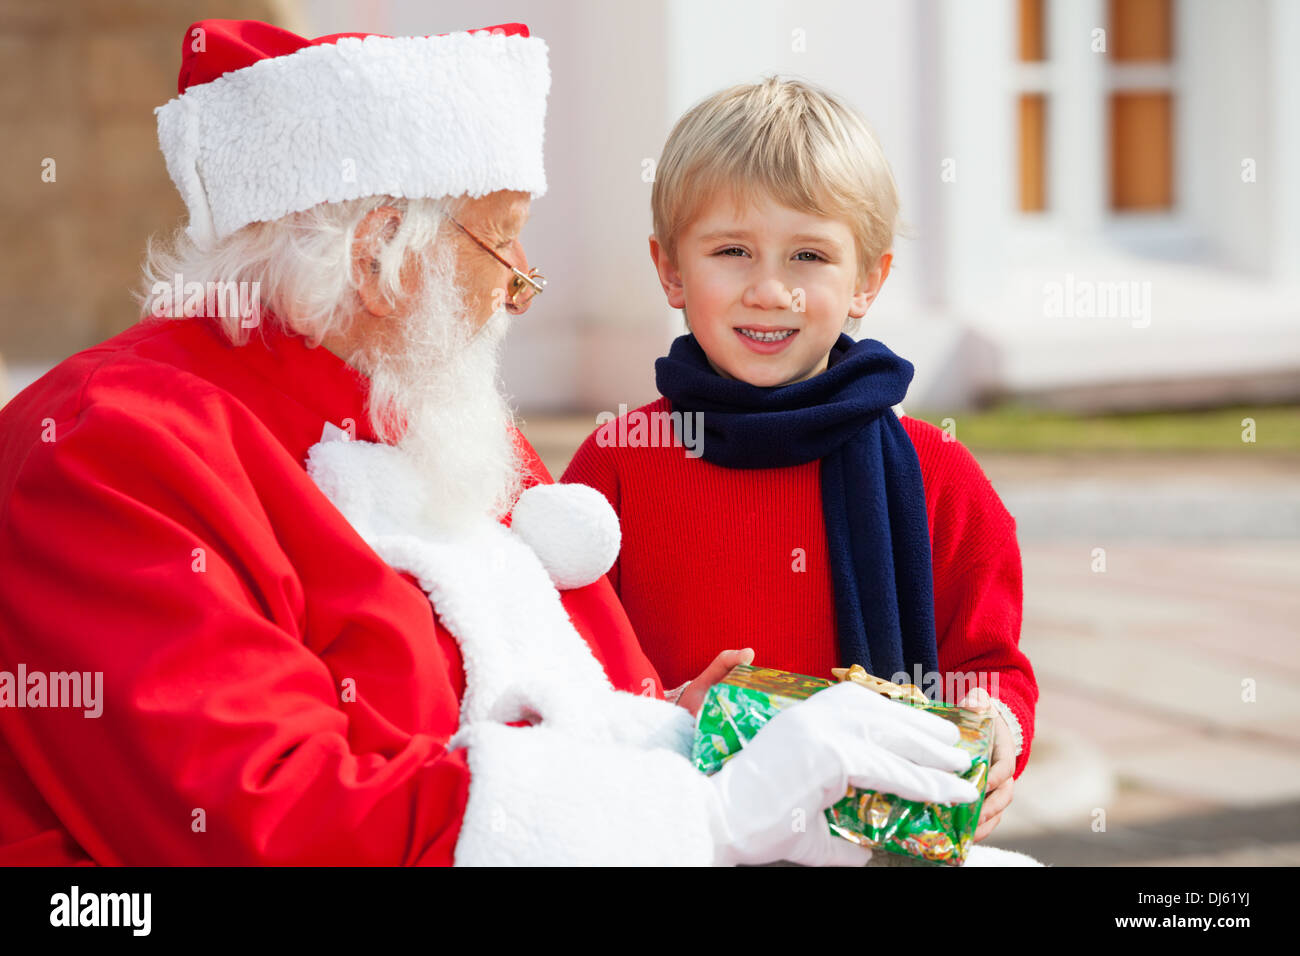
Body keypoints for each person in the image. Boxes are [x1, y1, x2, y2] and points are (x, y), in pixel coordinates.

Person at [0, 20, 990, 866]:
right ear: (380, 250)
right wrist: (709, 811)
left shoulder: (425, 400)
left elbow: (560, 706)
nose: (524, 283)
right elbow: (271, 820)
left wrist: (684, 733)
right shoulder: (109, 448)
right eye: (502, 238)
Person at [562, 77, 1039, 849]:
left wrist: (994, 731)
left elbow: (988, 663)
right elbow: (568, 669)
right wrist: (667, 711)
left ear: (867, 281)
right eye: (732, 251)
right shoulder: (618, 464)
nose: (770, 289)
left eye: (809, 255)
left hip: (874, 841)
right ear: (672, 270)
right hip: (682, 832)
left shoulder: (934, 472)